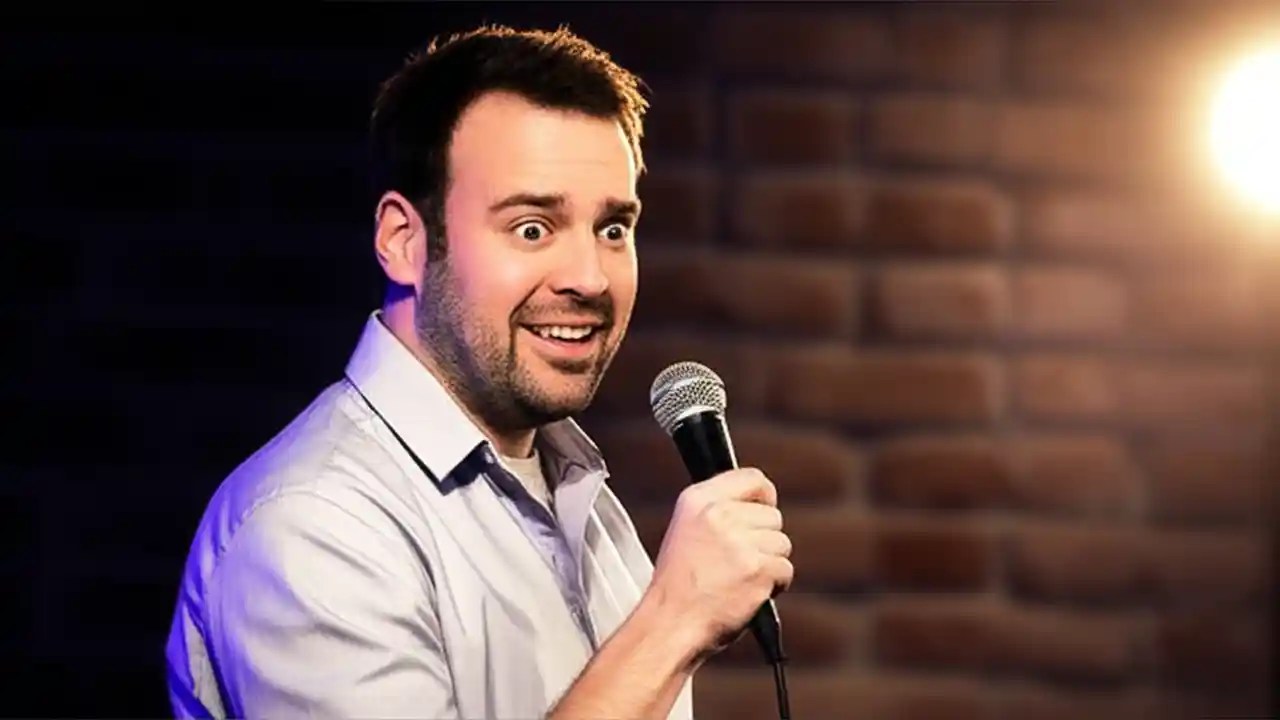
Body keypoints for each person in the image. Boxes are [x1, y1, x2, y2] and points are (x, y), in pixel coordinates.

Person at [165, 24, 793, 720]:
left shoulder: (582, 497)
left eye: (613, 229)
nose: (588, 277)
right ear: (404, 242)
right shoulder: (313, 525)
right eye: (532, 227)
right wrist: (673, 621)